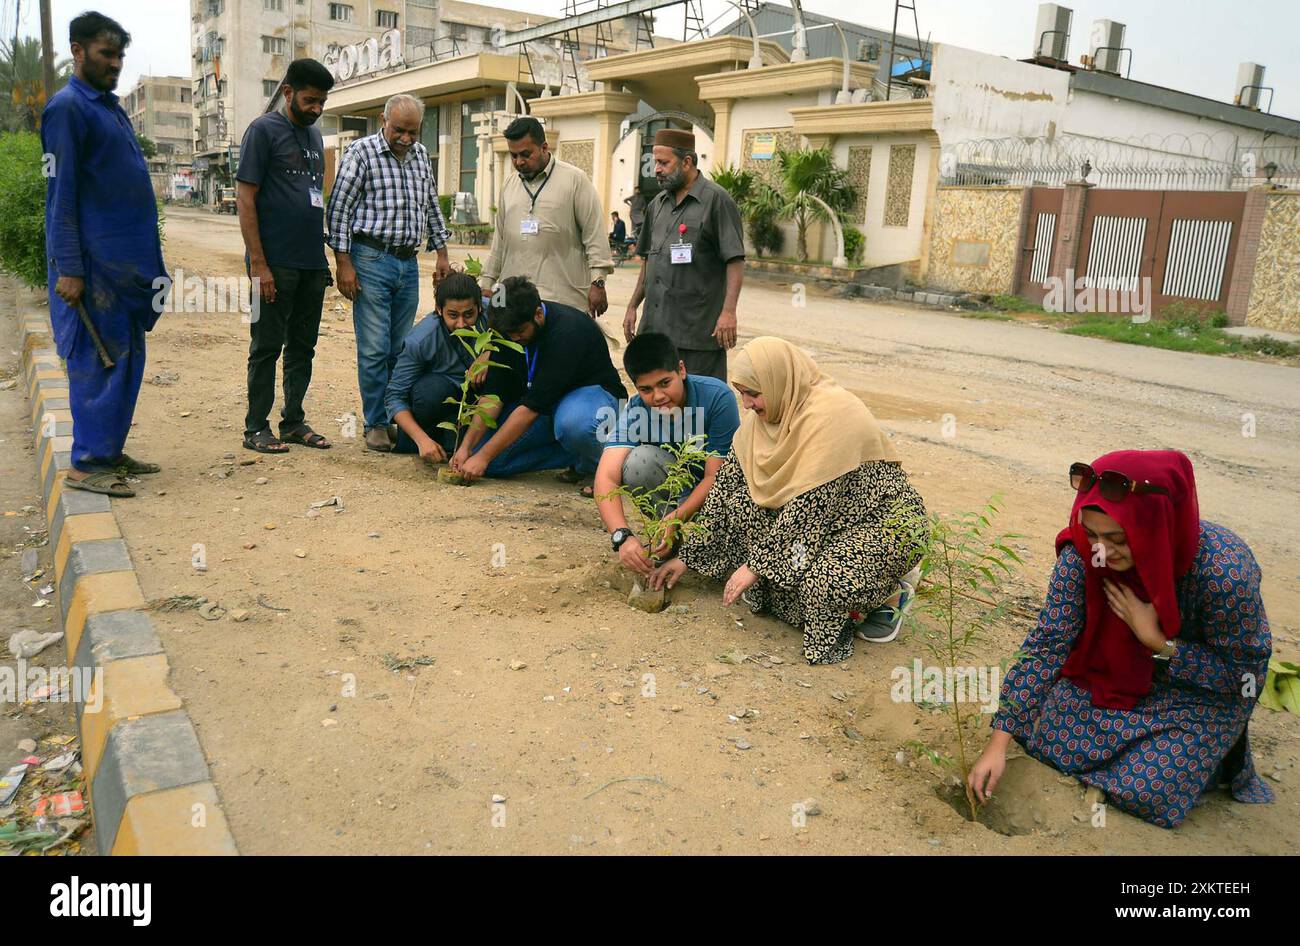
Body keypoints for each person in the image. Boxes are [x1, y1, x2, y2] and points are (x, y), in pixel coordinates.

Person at [968, 451, 1274, 829]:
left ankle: (1212, 766)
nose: (1101, 551)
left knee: (1148, 789)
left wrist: (1159, 643)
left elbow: (1244, 678)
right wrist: (997, 744)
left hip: (1193, 695)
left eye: (1117, 539)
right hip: (1107, 677)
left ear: (1155, 528)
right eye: (1092, 534)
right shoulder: (1084, 556)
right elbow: (1048, 645)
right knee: (1039, 737)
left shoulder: (1224, 571)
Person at [650, 337, 926, 664]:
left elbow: (810, 507)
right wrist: (689, 557)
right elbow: (724, 490)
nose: (747, 405)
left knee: (824, 584)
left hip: (880, 524)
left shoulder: (836, 416)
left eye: (753, 393)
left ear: (779, 381)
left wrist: (755, 565)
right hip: (823, 524)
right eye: (742, 394)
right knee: (744, 512)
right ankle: (844, 597)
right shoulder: (764, 423)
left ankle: (889, 594)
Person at [42, 11, 166, 498]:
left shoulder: (108, 107)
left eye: (119, 56)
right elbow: (61, 195)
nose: (114, 64)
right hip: (92, 269)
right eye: (105, 54)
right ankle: (88, 463)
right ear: (78, 51)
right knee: (98, 362)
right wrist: (69, 267)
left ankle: (109, 451)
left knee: (126, 361)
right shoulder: (67, 108)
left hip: (125, 269)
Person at [327, 93, 452, 452]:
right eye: (399, 130)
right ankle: (375, 423)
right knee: (374, 349)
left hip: (407, 263)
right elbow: (339, 210)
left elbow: (430, 204)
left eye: (413, 132)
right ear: (384, 121)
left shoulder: (420, 156)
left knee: (402, 349)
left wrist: (442, 253)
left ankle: (397, 417)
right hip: (370, 260)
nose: (406, 139)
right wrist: (344, 262)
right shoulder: (361, 153)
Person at [236, 58, 335, 454]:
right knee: (265, 347)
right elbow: (246, 199)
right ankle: (255, 427)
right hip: (273, 264)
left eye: (322, 102)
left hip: (311, 264)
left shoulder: (314, 138)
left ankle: (293, 421)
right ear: (288, 93)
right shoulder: (262, 131)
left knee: (302, 347)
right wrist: (259, 265)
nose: (317, 109)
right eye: (310, 100)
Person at [449, 277, 625, 483]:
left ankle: (600, 464)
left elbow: (531, 409)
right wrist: (466, 448)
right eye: (509, 335)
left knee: (573, 424)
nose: (514, 339)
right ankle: (573, 451)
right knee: (492, 463)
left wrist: (484, 456)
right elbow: (493, 396)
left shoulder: (568, 332)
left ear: (538, 315)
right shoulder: (507, 328)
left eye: (520, 333)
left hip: (592, 399)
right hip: (546, 404)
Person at [594, 333, 740, 577]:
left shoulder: (717, 397)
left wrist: (676, 517)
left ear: (681, 370)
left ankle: (701, 544)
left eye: (665, 383)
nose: (658, 396)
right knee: (637, 462)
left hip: (718, 499)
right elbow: (605, 478)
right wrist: (622, 536)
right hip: (678, 494)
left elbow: (717, 477)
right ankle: (671, 542)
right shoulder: (637, 409)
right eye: (646, 389)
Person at [622, 128, 745, 382]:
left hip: (697, 334)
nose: (656, 169)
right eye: (656, 162)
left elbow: (735, 260)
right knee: (659, 405)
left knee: (699, 410)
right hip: (656, 333)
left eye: (664, 162)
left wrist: (729, 312)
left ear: (687, 162)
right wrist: (633, 306)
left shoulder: (716, 201)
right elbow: (648, 260)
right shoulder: (657, 204)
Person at [479, 116, 613, 320]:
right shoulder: (509, 185)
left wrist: (598, 282)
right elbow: (500, 243)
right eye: (513, 156)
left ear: (543, 147)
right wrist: (487, 283)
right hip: (515, 301)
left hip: (562, 300)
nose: (518, 162)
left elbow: (595, 237)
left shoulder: (575, 180)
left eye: (525, 154)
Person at [385, 273, 484, 464]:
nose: (462, 324)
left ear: (480, 308)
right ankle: (428, 439)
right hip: (437, 401)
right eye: (453, 315)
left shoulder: (494, 319)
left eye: (469, 314)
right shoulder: (420, 340)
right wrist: (422, 441)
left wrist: (488, 354)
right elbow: (394, 397)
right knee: (429, 392)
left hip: (478, 401)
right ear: (439, 310)